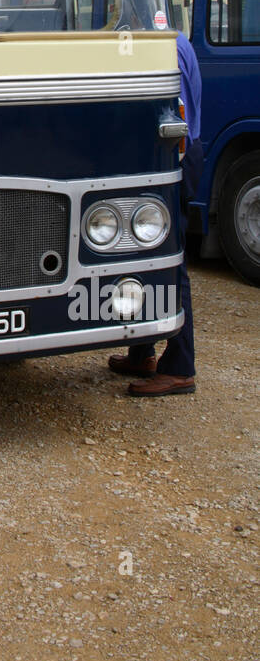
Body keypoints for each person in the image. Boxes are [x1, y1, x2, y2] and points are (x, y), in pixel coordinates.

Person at [108, 30, 202, 396]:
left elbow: (171, 113)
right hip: (179, 152)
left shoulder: (162, 47)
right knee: (142, 251)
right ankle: (142, 350)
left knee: (170, 261)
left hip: (171, 156)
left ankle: (180, 366)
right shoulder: (178, 42)